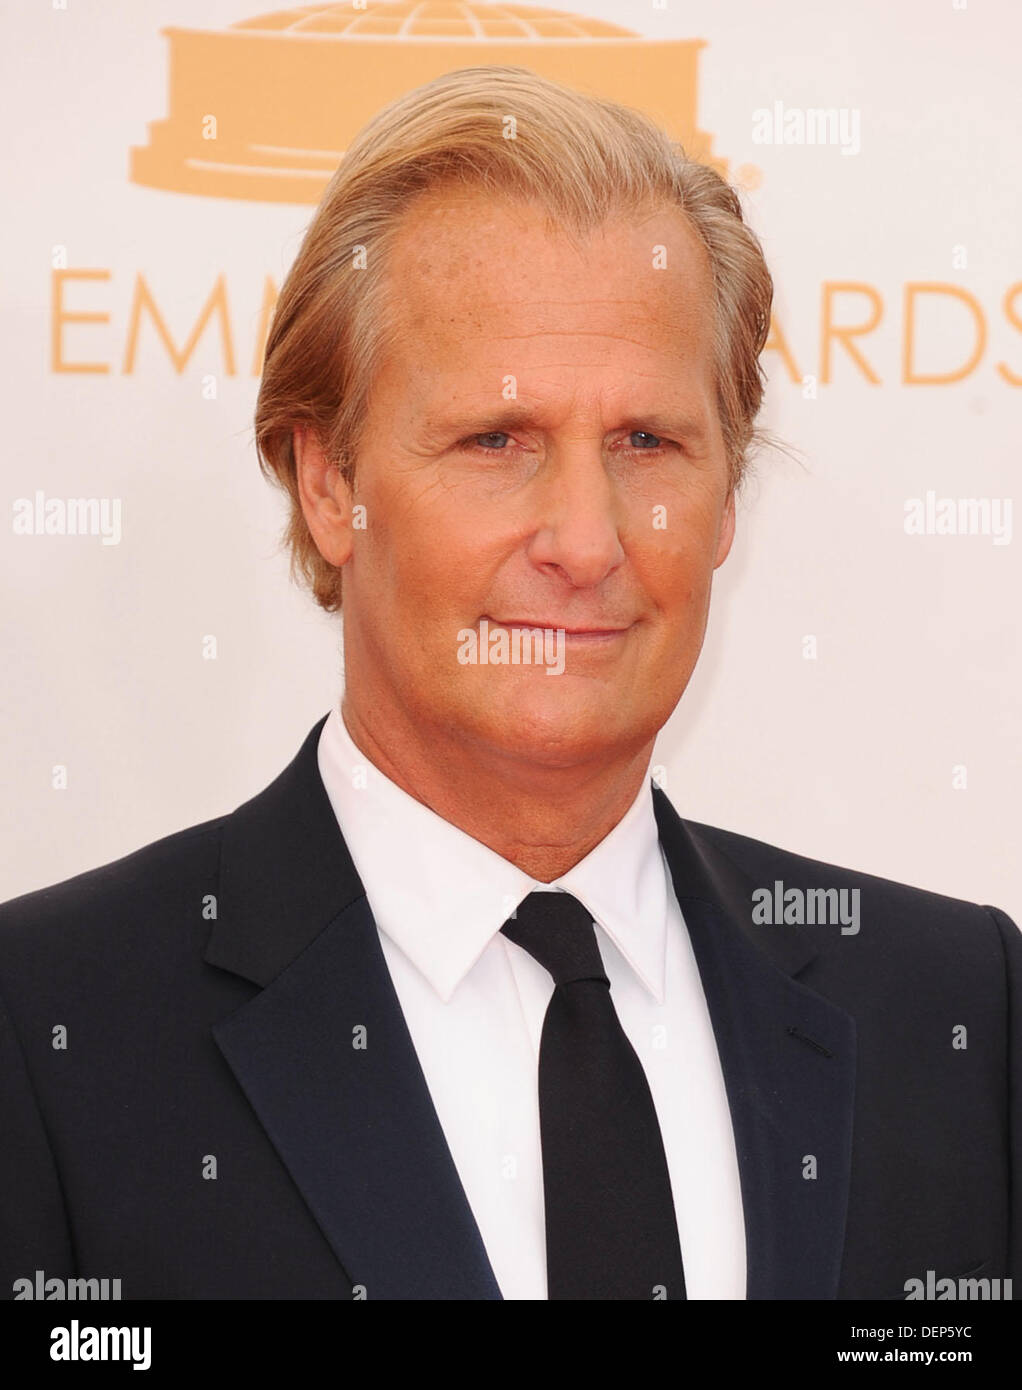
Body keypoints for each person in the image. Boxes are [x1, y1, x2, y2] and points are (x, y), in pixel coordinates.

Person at [1, 66, 1018, 1302]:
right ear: (329, 486)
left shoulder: (954, 1014)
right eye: (496, 441)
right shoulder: (50, 1033)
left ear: (726, 498)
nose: (584, 542)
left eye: (647, 442)